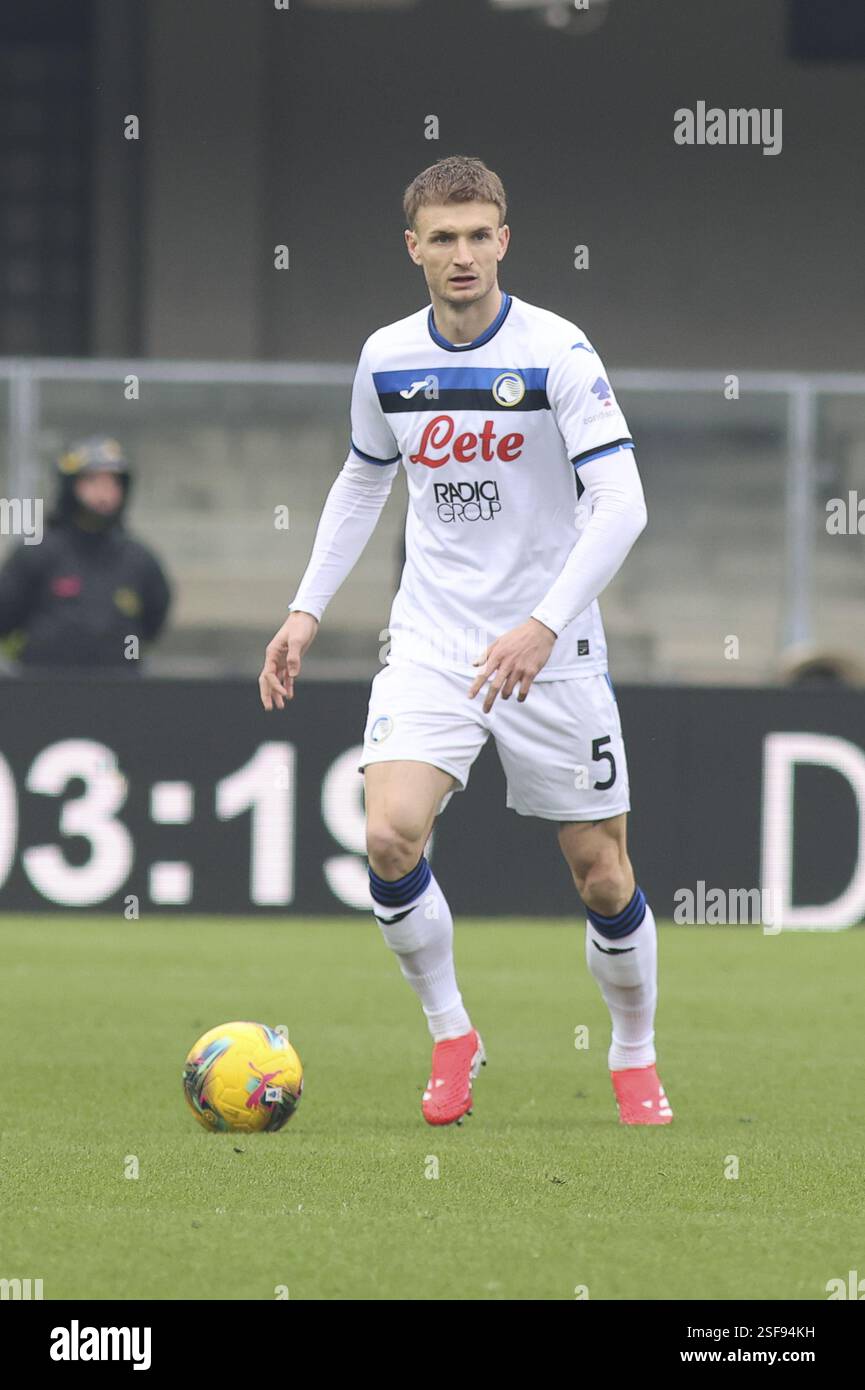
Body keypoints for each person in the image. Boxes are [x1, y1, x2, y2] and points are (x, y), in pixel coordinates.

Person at [260, 156, 671, 1128]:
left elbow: (622, 503)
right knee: (390, 834)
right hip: (434, 638)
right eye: (442, 237)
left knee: (601, 871)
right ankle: (452, 1032)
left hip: (552, 649)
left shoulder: (558, 352)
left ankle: (633, 1051)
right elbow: (364, 480)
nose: (462, 254)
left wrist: (541, 622)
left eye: (478, 234)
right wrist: (305, 608)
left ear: (504, 240)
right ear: (413, 248)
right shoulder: (385, 357)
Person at [0, 435, 171, 669]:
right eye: (92, 481)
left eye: (113, 483)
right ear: (70, 487)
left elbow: (154, 620)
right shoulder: (36, 554)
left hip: (121, 693)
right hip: (43, 693)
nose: (104, 493)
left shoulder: (139, 559)